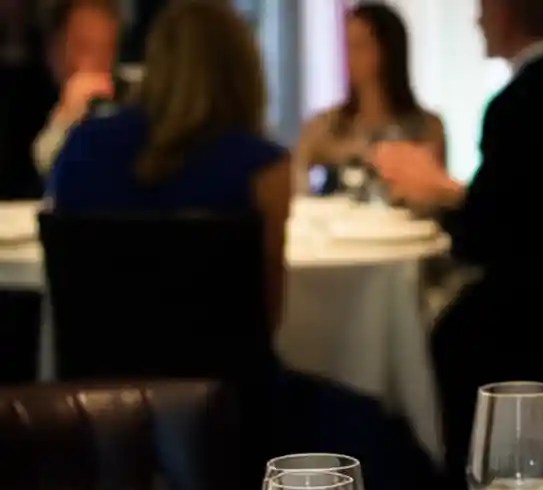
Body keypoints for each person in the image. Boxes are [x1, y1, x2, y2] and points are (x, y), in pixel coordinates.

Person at [373, 0, 543, 490]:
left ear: (506, 13)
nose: (476, 20)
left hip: (530, 316)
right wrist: (452, 193)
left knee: (436, 332)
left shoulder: (516, 105)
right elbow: (542, 210)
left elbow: (487, 236)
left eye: (483, 8)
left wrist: (440, 197)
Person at [49, 0, 289, 327]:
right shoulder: (264, 168)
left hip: (101, 371)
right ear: (244, 69)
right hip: (225, 372)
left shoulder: (83, 145)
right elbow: (267, 314)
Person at [295, 2, 446, 195]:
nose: (350, 58)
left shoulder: (427, 127)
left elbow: (436, 201)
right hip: (340, 223)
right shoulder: (325, 126)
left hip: (402, 224)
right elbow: (298, 181)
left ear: (389, 51)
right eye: (348, 47)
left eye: (361, 46)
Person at [32, 0, 123, 177]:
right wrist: (65, 121)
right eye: (85, 48)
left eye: (107, 48)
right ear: (54, 49)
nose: (97, 61)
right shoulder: (17, 102)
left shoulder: (126, 109)